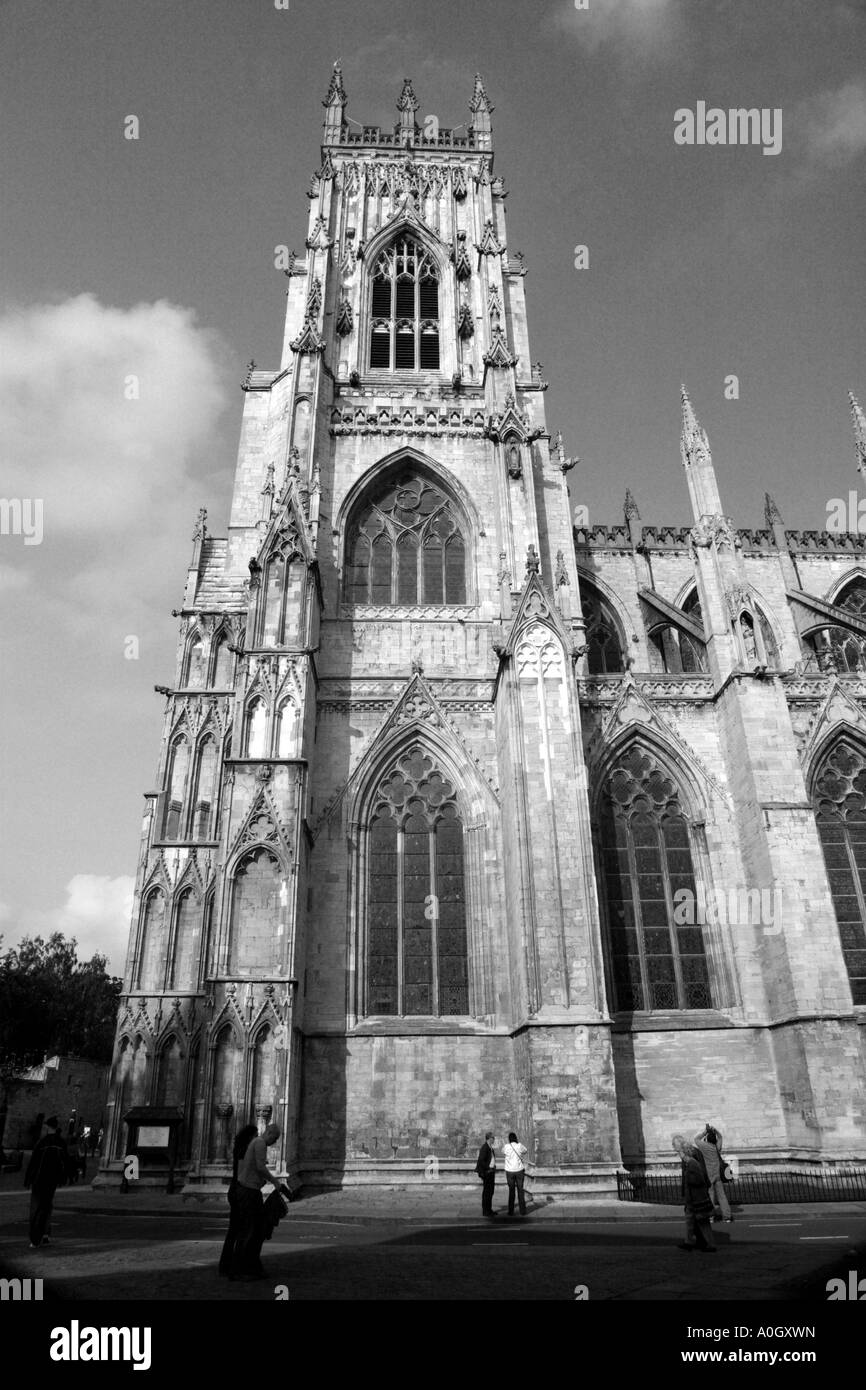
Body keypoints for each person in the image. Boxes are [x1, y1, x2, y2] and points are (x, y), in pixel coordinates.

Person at [233, 1123, 282, 1280]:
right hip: (248, 1190)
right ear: (268, 1132)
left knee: (253, 1230)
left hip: (250, 1189)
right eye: (274, 1138)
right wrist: (274, 1181)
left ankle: (249, 1267)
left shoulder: (257, 1143)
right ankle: (239, 1270)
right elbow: (260, 1167)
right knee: (248, 1231)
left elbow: (257, 1167)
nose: (274, 1142)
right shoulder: (260, 1142)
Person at [23, 1116, 69, 1249]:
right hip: (52, 1180)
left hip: (40, 1179)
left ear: (48, 1127)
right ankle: (45, 1234)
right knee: (47, 1206)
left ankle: (35, 1238)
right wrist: (63, 1177)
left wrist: (28, 1179)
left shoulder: (42, 1143)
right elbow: (65, 1162)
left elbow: (34, 1162)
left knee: (36, 1208)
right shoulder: (60, 1143)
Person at [218, 1123, 258, 1276]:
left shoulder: (240, 1149)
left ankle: (226, 1266)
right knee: (240, 1231)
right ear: (249, 1137)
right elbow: (242, 1174)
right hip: (239, 1191)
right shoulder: (243, 1151)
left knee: (234, 1231)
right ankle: (234, 1267)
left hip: (235, 1190)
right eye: (255, 1135)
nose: (256, 1138)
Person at [672, 1133, 716, 1253]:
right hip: (692, 1195)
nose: (673, 1148)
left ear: (681, 1148)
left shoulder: (691, 1159)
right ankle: (691, 1242)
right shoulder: (687, 1159)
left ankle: (705, 1243)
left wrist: (691, 1186)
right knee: (691, 1219)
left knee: (701, 1220)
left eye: (674, 1145)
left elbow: (699, 1177)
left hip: (697, 1195)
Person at [693, 1123, 732, 1223]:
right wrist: (715, 1131)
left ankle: (711, 1217)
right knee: (721, 1196)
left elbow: (696, 1139)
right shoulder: (716, 1147)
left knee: (710, 1196)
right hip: (718, 1174)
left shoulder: (704, 1146)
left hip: (709, 1175)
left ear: (706, 1139)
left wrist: (704, 1132)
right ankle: (727, 1216)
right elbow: (720, 1137)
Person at [501, 1131, 528, 1216]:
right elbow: (525, 1151)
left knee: (511, 1191)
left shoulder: (506, 1146)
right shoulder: (519, 1145)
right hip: (519, 1170)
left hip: (509, 1171)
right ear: (515, 1138)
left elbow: (503, 1152)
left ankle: (511, 1211)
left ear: (509, 1139)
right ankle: (522, 1211)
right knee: (520, 1190)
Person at [475, 1131, 497, 1217]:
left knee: (490, 1192)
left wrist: (493, 1166)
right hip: (488, 1173)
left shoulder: (490, 1147)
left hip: (491, 1172)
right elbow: (481, 1160)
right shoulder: (485, 1148)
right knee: (487, 1192)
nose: (494, 1139)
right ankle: (486, 1211)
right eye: (493, 1138)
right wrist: (488, 1168)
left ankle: (489, 1209)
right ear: (489, 1138)